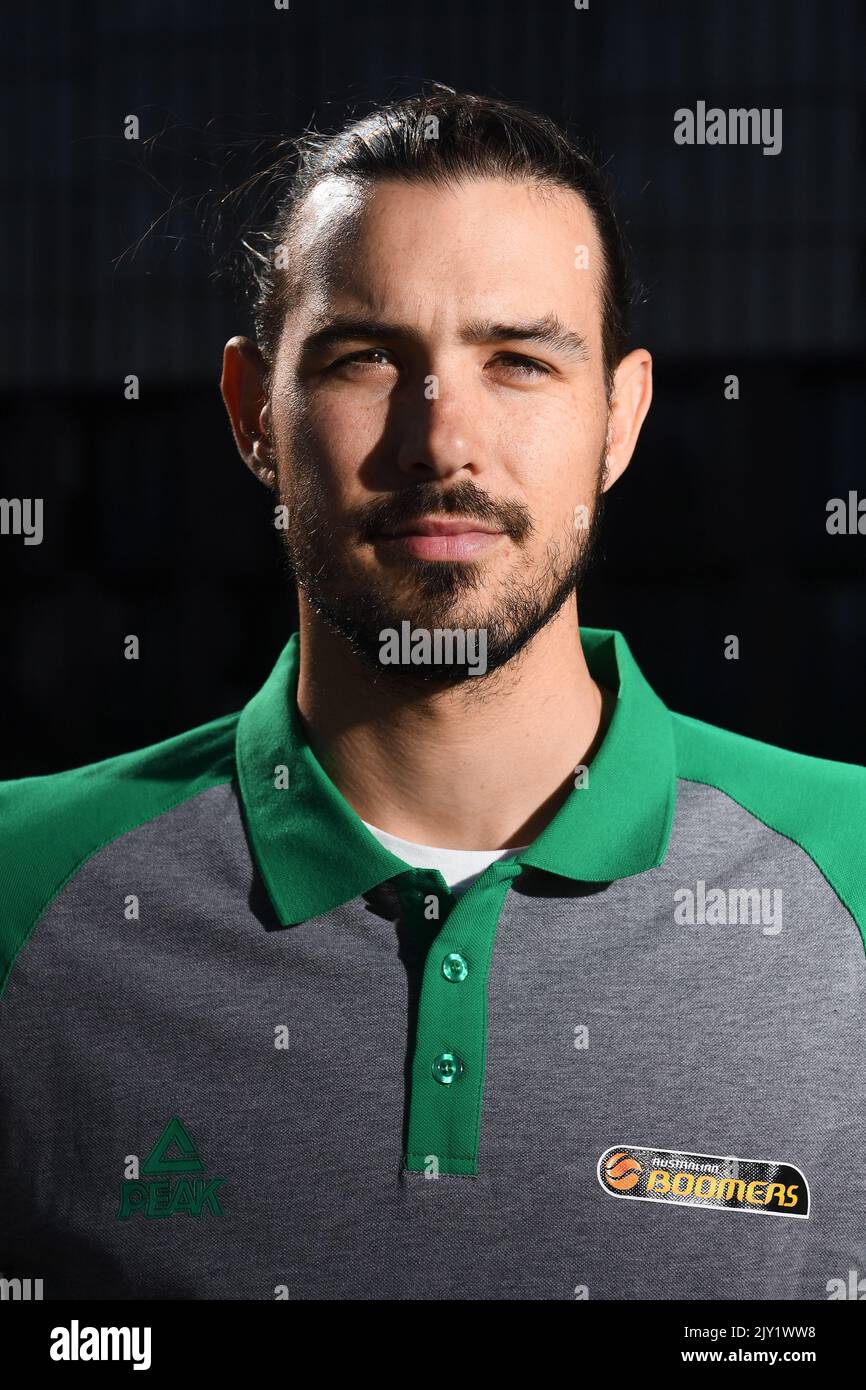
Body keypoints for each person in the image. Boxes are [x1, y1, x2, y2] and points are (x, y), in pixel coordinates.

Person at [1, 85, 863, 1301]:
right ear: (256, 415)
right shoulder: (19, 888)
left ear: (617, 421)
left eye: (517, 361)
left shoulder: (851, 868)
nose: (440, 440)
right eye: (366, 357)